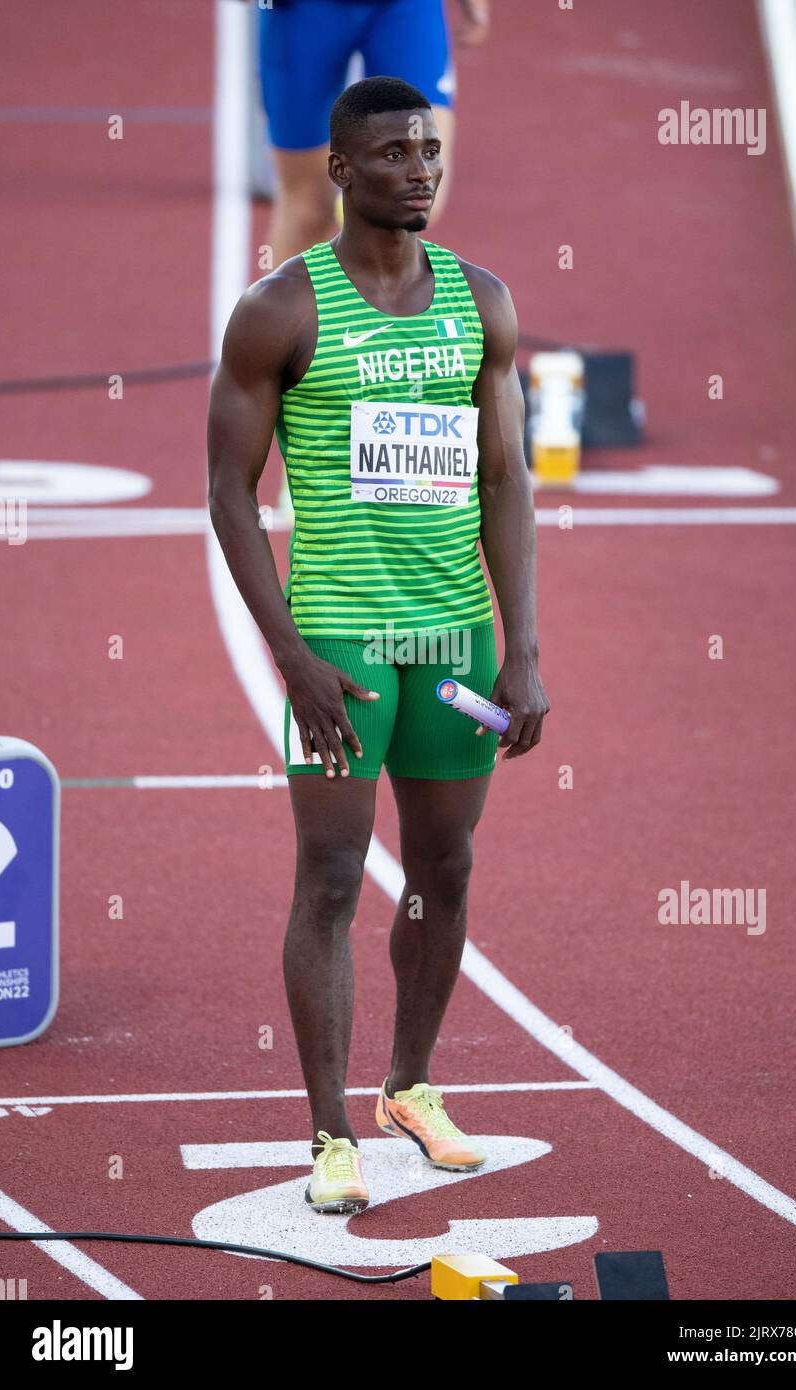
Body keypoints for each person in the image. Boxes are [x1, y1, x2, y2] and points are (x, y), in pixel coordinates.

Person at [207, 76, 548, 1214]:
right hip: (344, 647)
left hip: (452, 642)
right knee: (334, 877)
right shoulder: (280, 311)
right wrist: (291, 655)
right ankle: (328, 1130)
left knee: (445, 869)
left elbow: (505, 478)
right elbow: (227, 490)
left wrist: (525, 647)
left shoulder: (484, 302)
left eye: (430, 149)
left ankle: (412, 1082)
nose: (421, 168)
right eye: (395, 153)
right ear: (342, 172)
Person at [250, 0, 491, 265]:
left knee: (417, 188)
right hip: (304, 12)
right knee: (307, 210)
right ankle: (279, 304)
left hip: (403, 7)